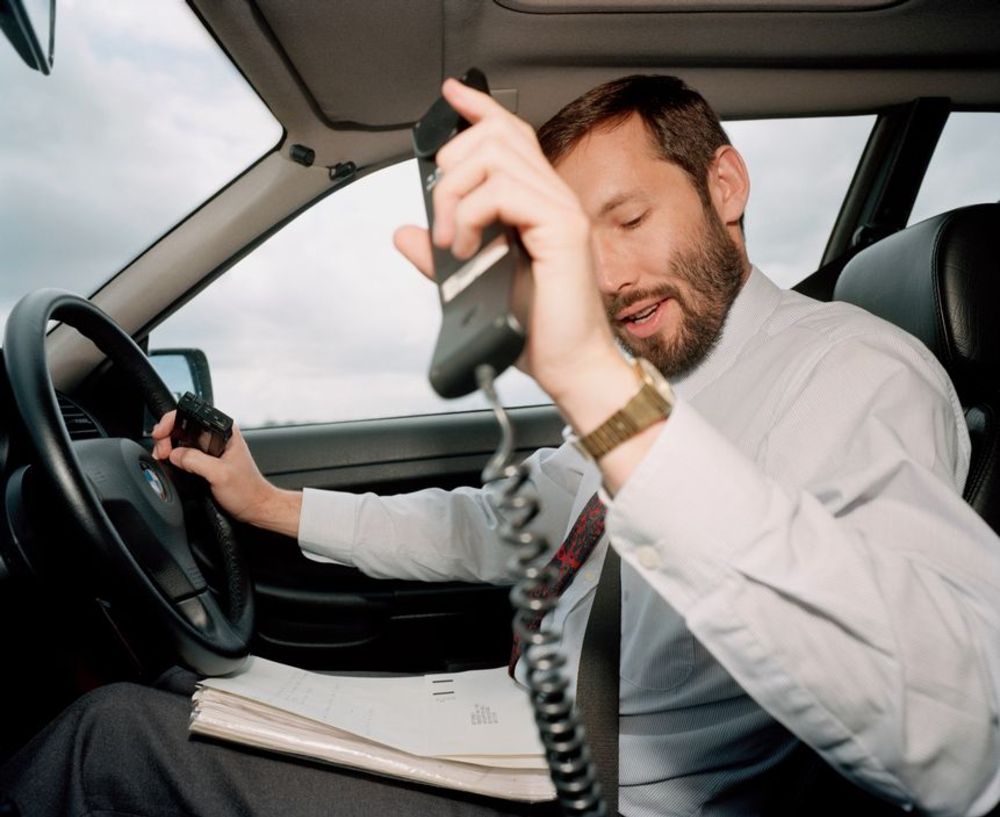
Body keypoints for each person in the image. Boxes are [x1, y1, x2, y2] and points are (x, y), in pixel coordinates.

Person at [3, 74, 999, 817]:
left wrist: (593, 382)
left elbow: (955, 738)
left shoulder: (862, 377)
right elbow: (498, 526)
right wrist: (270, 504)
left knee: (107, 743)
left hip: (606, 791)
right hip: (499, 721)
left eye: (630, 217)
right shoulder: (669, 376)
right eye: (576, 238)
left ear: (724, 184)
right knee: (186, 693)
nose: (608, 276)